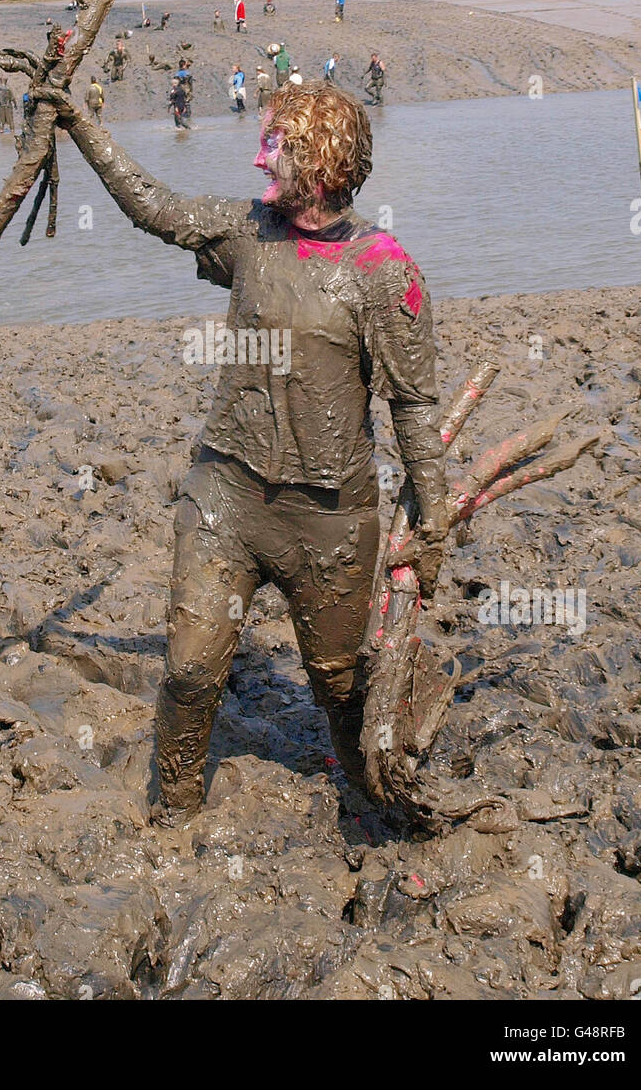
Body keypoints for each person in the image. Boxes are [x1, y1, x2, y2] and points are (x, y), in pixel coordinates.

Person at [36, 79, 448, 827]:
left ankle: (376, 808)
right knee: (191, 672)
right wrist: (78, 120)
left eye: (272, 146)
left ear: (317, 163)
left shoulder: (384, 271)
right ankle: (175, 811)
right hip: (223, 491)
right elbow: (153, 206)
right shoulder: (246, 234)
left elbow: (414, 409)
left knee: (338, 688)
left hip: (328, 519)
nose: (258, 161)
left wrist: (433, 521)